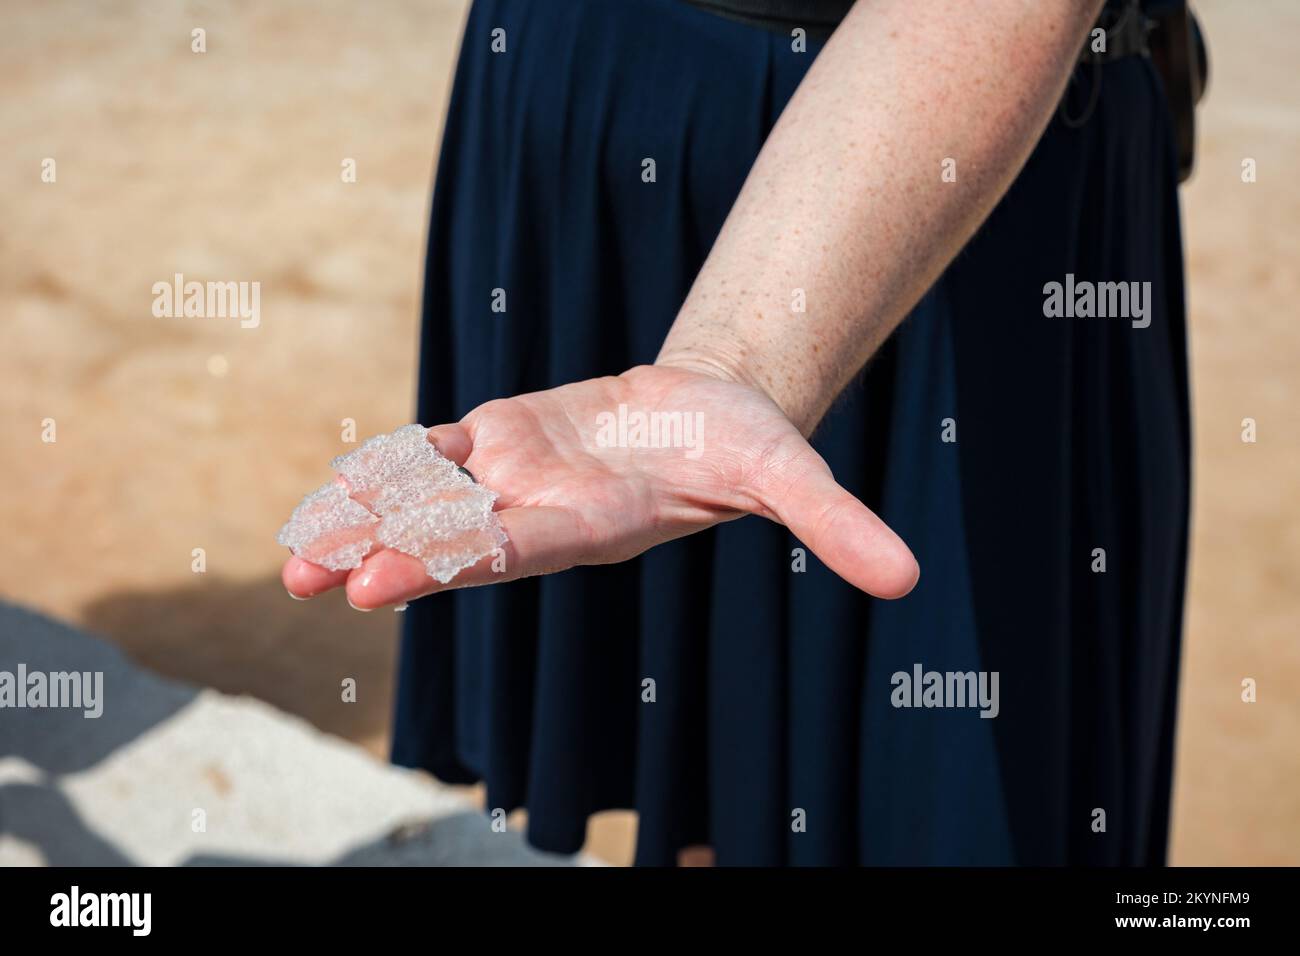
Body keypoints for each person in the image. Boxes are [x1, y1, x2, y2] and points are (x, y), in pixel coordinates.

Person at [283, 0, 1191, 866]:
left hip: (943, 147)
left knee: (960, 778)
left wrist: (729, 367)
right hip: (590, 99)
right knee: (696, 758)